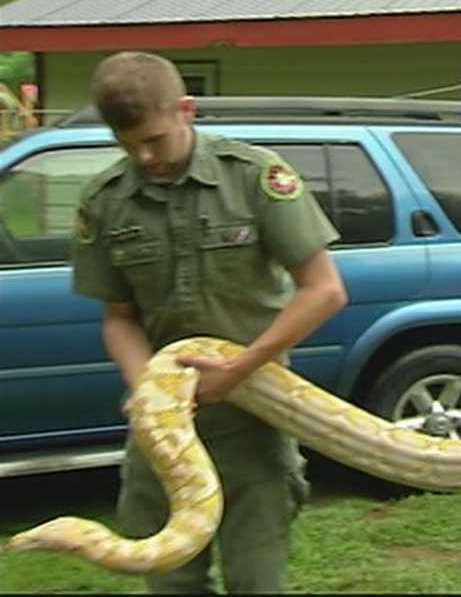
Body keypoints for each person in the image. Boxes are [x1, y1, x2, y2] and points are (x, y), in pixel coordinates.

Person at [71, 51, 348, 593]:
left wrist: (239, 370)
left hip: (255, 419)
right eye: (128, 145)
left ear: (186, 109)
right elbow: (118, 319)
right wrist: (147, 386)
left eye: (155, 140)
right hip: (163, 432)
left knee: (255, 582)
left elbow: (324, 291)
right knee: (172, 583)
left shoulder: (253, 176)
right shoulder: (104, 201)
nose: (145, 156)